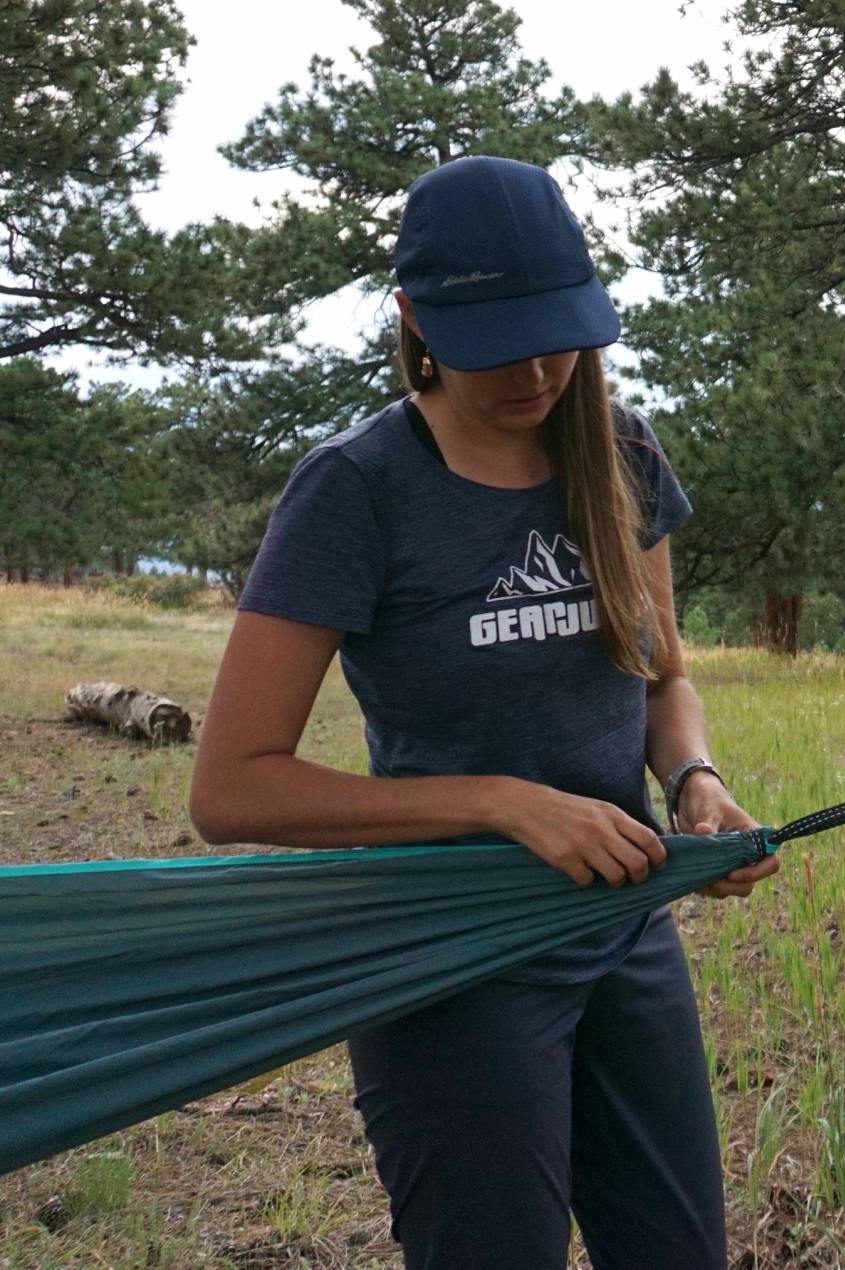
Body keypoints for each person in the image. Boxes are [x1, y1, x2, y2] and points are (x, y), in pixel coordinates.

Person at [188, 154, 778, 1269]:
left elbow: (663, 681)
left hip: (622, 927)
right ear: (413, 317)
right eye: (494, 340)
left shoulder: (621, 450)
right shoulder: (356, 489)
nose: (538, 368)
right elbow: (230, 786)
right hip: (447, 944)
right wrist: (506, 804)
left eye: (558, 331)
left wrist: (693, 779)